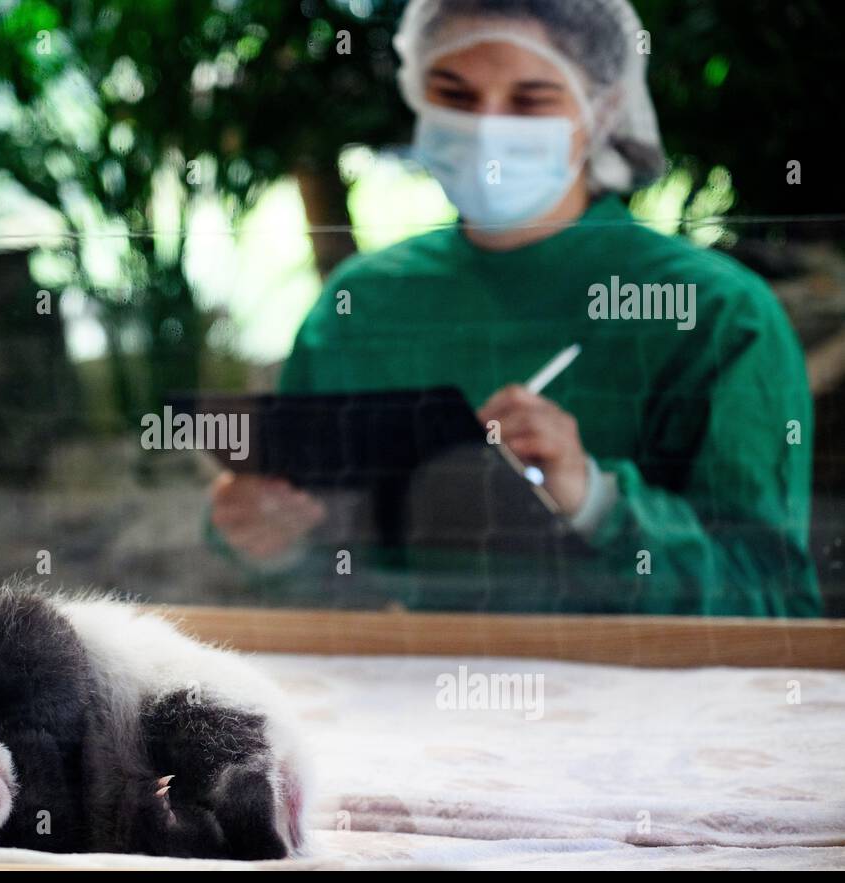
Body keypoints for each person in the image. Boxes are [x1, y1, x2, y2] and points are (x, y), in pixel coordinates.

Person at [209, 0, 821, 617]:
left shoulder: (717, 315)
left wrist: (596, 503)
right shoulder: (359, 305)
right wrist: (266, 538)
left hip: (644, 702)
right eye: (455, 94)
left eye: (530, 102)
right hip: (404, 692)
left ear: (602, 108)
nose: (488, 128)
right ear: (417, 93)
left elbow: (774, 603)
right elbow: (328, 570)